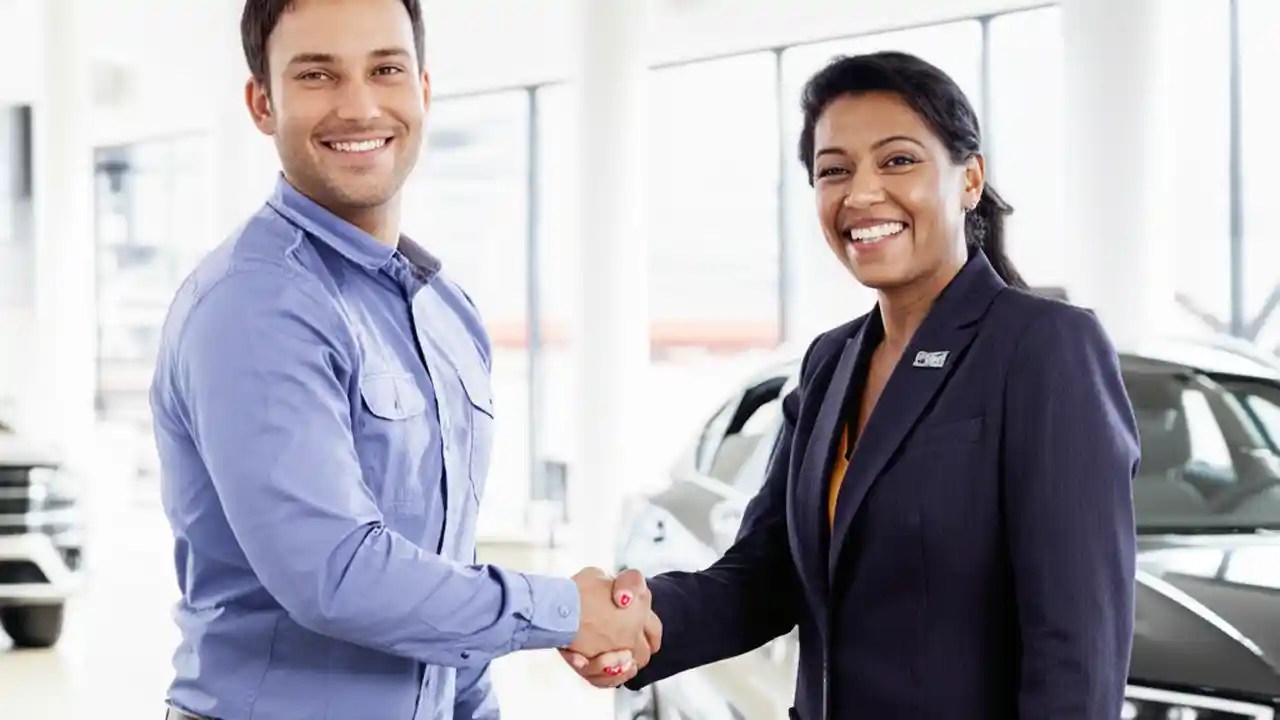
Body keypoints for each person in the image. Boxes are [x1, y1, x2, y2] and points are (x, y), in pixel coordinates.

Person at [565, 51, 1140, 718]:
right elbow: (765, 577)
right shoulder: (831, 362)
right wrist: (639, 624)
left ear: (970, 180)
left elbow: (1078, 647)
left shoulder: (1042, 347)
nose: (861, 194)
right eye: (833, 170)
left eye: (898, 160)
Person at [149, 1, 656, 718]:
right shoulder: (255, 303)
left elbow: (443, 578)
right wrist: (566, 611)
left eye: (385, 69)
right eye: (318, 75)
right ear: (263, 103)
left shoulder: (447, 312)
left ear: (423, 87)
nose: (359, 107)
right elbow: (336, 573)